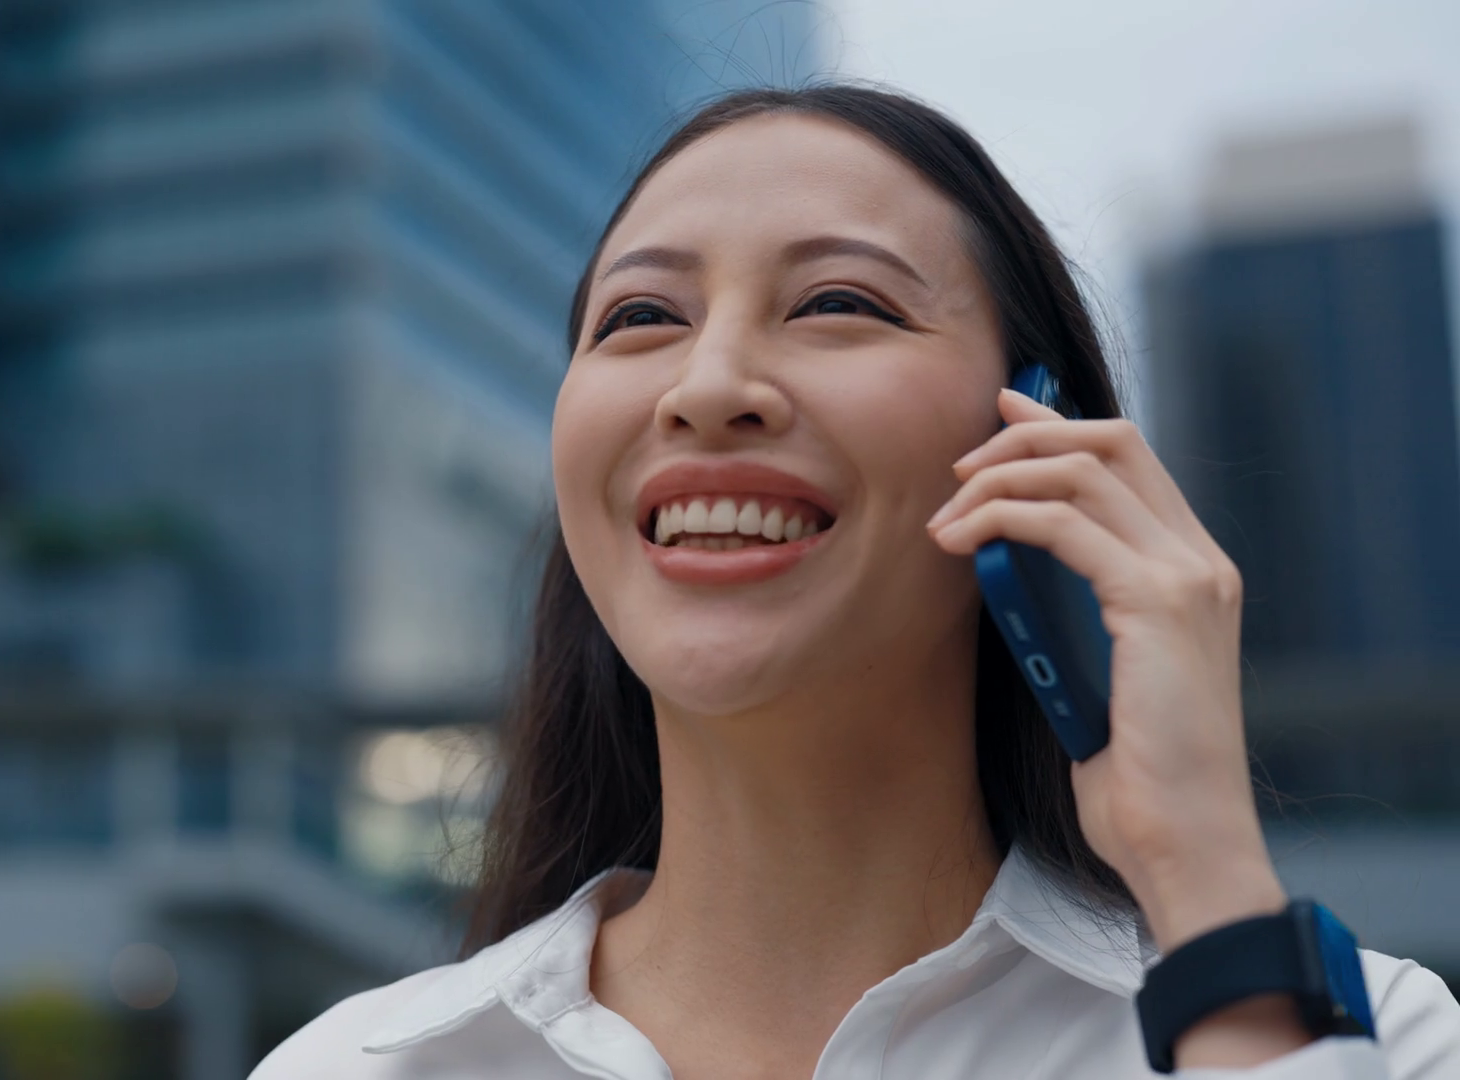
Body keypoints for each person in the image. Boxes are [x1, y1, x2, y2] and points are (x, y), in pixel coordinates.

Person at [252, 85, 1460, 1078]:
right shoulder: (359, 1068)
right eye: (639, 319)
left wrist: (1202, 874)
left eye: (837, 302)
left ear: (1038, 441)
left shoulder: (1374, 1042)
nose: (709, 381)